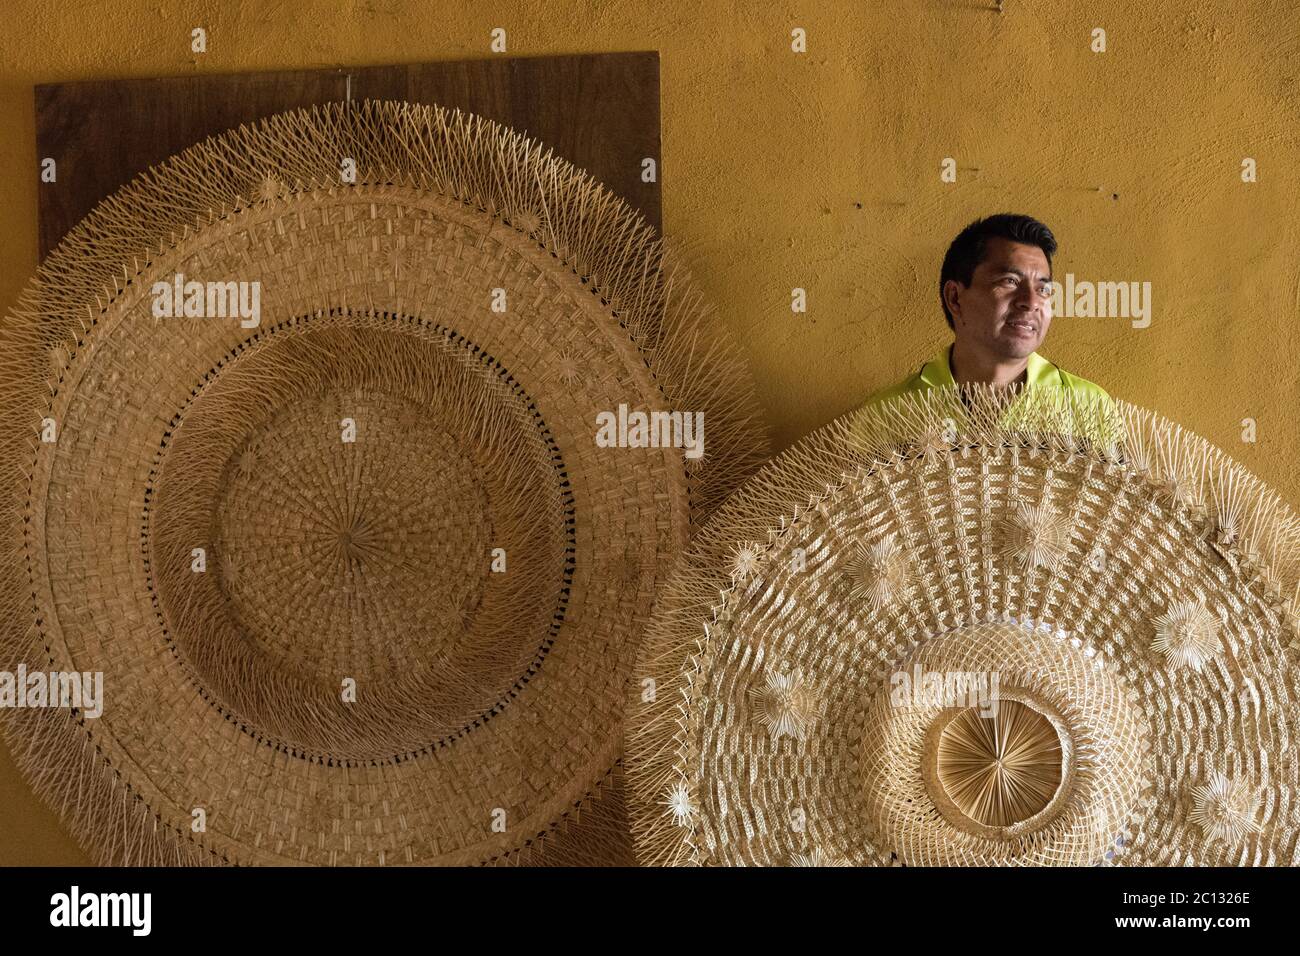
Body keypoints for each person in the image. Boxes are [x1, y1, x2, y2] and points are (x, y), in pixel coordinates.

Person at [863, 213, 1120, 447]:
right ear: (955, 298)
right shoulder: (887, 415)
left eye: (1043, 289)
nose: (1031, 302)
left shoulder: (1089, 407)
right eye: (1009, 281)